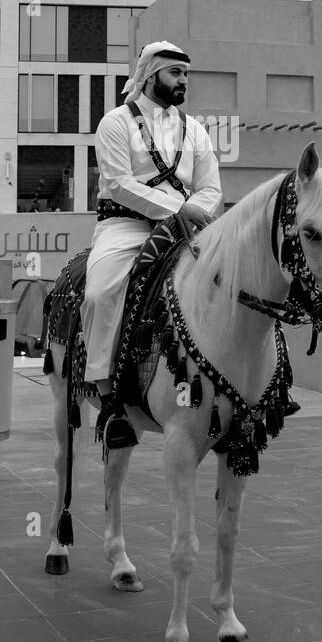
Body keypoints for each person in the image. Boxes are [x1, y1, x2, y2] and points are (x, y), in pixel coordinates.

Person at [80, 40, 223, 450]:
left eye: (186, 75)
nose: (183, 82)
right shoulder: (115, 123)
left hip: (187, 228)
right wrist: (178, 209)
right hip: (125, 227)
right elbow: (118, 184)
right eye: (175, 74)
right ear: (150, 74)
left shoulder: (194, 129)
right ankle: (108, 399)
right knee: (100, 292)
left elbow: (211, 187)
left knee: (235, 282)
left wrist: (193, 212)